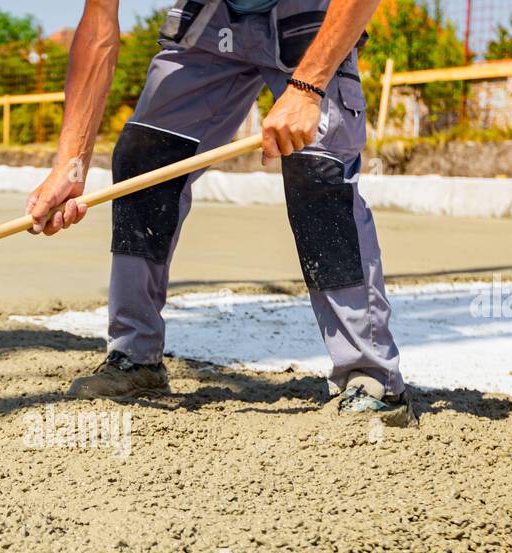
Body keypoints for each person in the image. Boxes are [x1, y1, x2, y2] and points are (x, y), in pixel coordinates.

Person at [26, 0, 411, 425]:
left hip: (309, 12)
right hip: (216, 17)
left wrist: (306, 88)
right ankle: (135, 357)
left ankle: (370, 378)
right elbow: (99, 25)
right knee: (146, 157)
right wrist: (71, 163)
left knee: (317, 170)